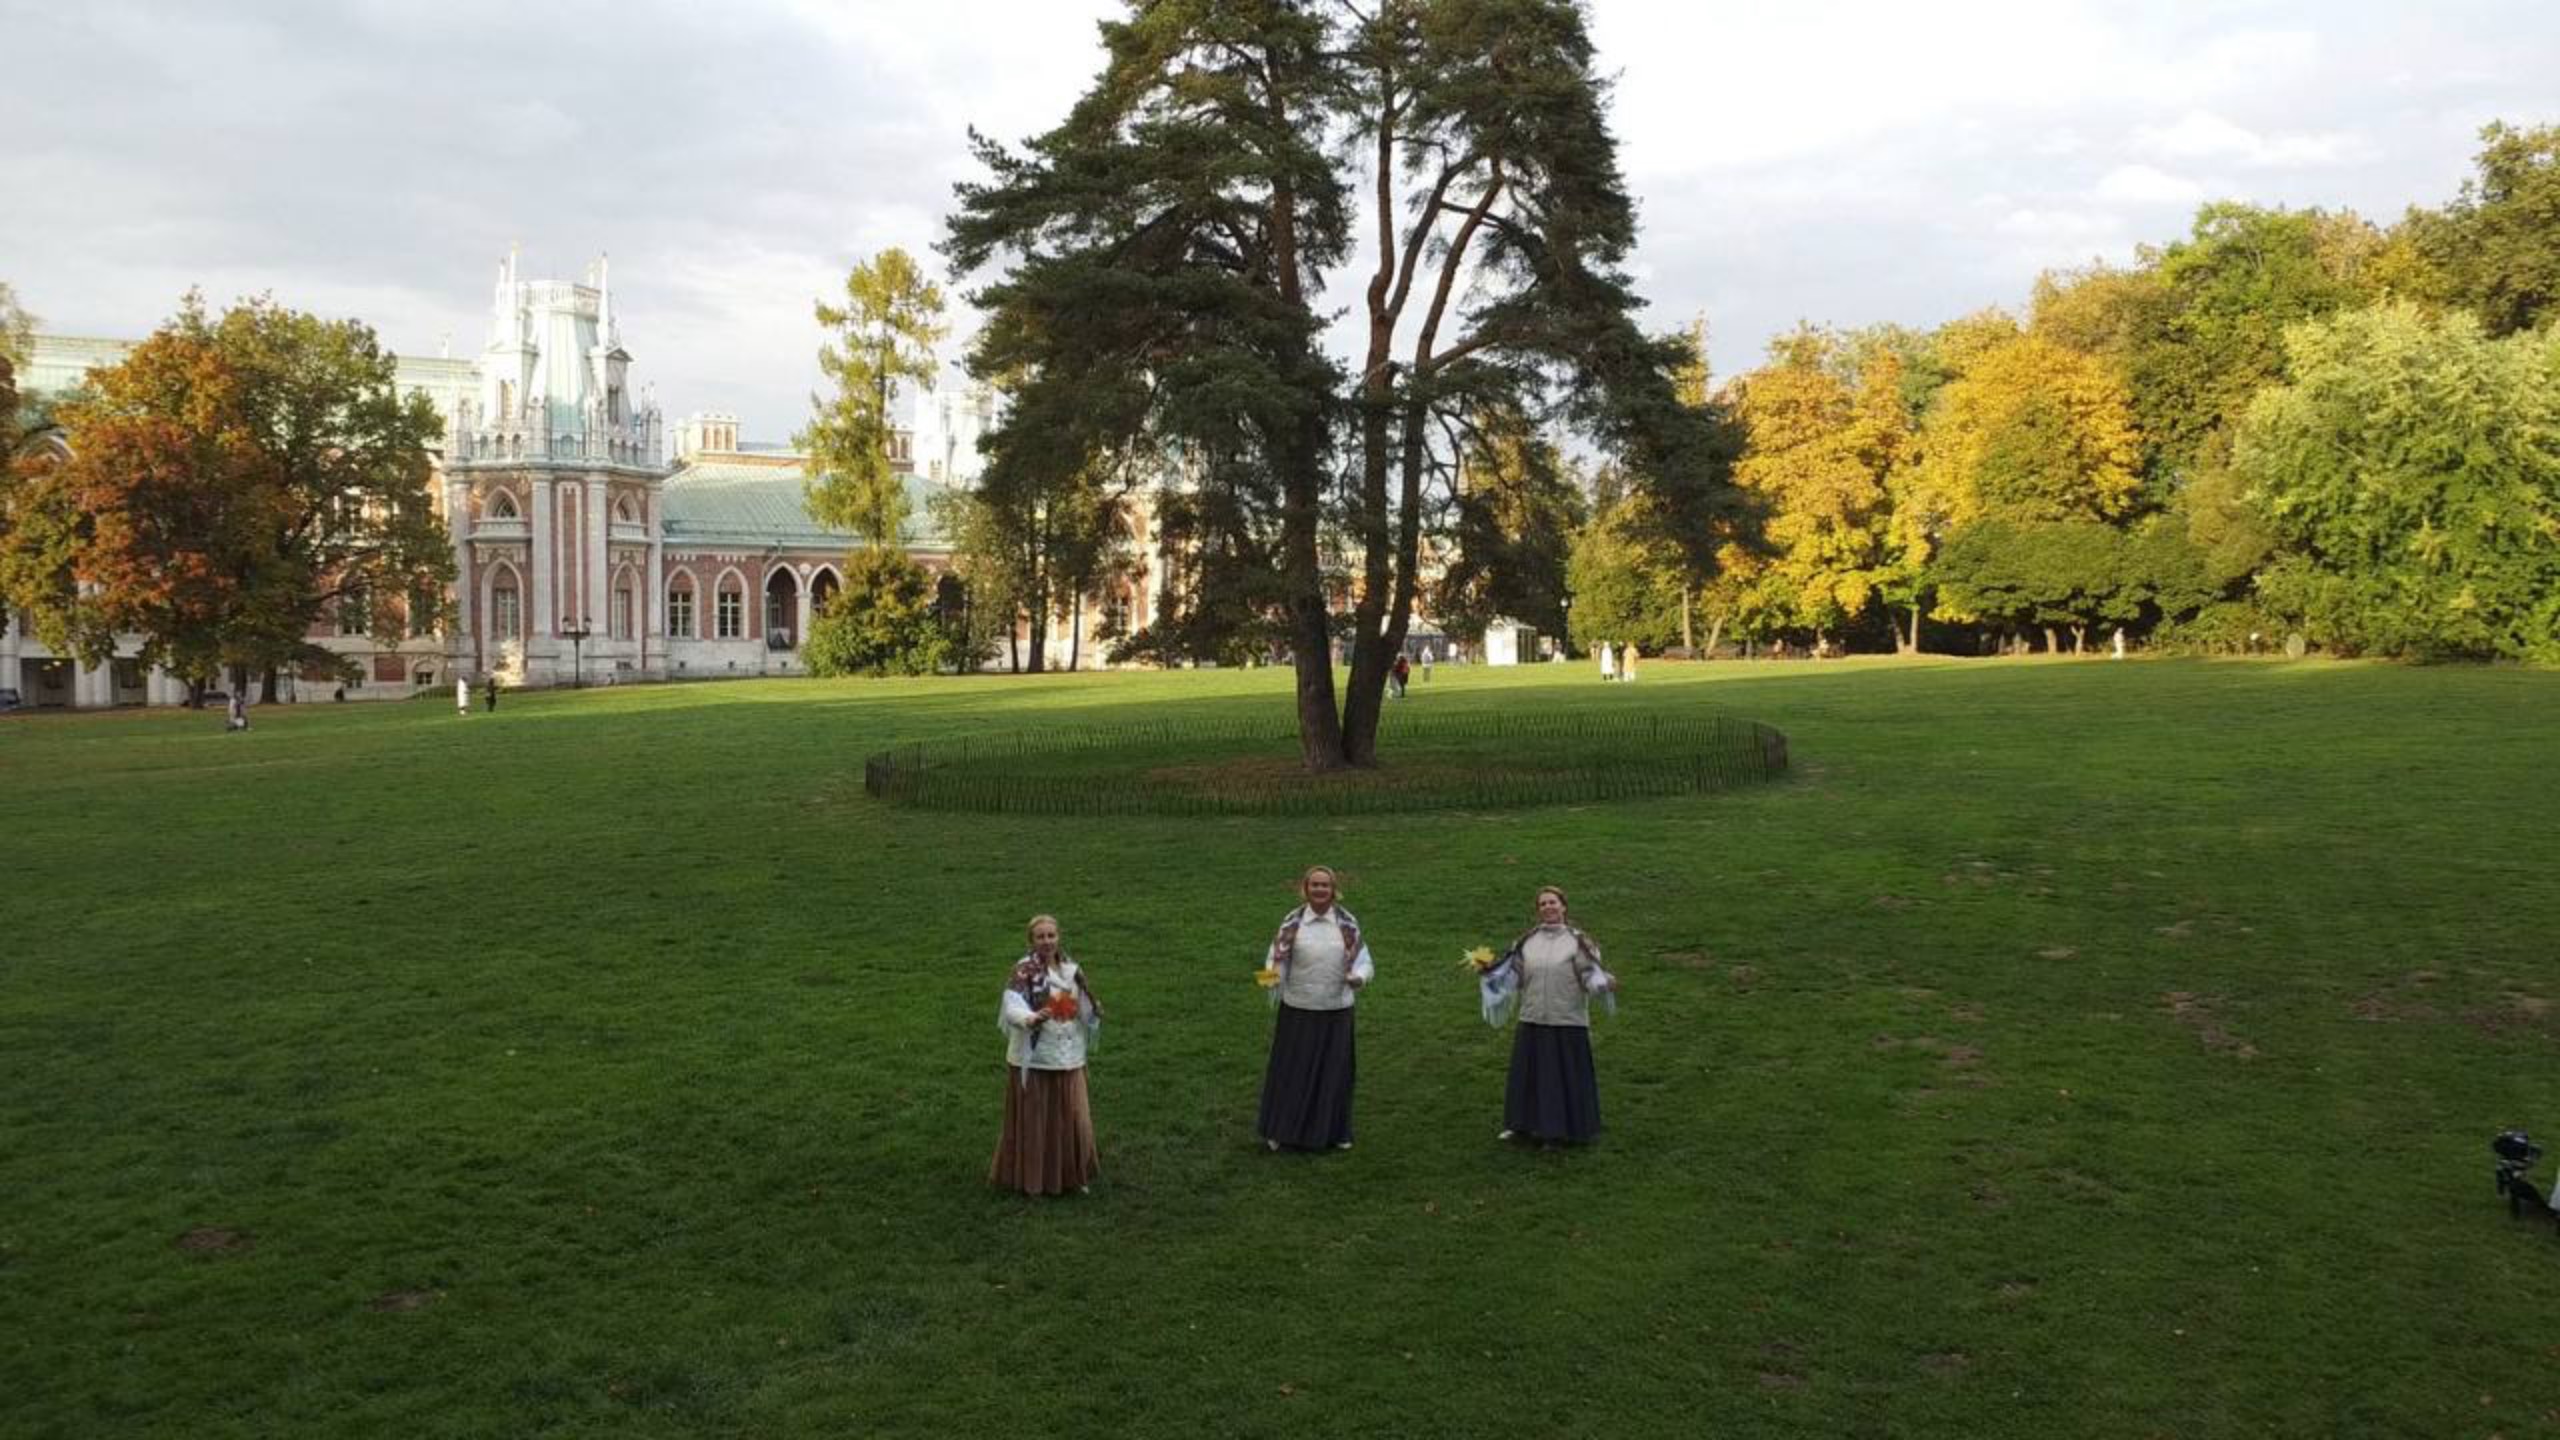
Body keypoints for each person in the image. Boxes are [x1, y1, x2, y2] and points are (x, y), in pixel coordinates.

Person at [1474, 885, 1617, 1146]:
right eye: (1543, 904)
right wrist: (1490, 975)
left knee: (1561, 1079)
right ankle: (1520, 1126)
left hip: (1566, 1020)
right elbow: (1515, 975)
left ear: (1563, 906)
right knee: (1527, 1078)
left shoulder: (1579, 941)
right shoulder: (1527, 941)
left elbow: (1590, 975)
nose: (1548, 907)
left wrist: (1603, 984)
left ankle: (1559, 1132)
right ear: (1538, 911)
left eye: (1553, 902)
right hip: (1532, 1017)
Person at [1255, 865, 1374, 1152]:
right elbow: (1276, 960)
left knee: (1334, 1072)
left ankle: (1335, 1131)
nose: (1320, 890)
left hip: (1337, 1009)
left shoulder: (1347, 923)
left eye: (1325, 885)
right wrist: (1270, 979)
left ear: (1334, 890)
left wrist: (1358, 978)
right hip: (1299, 1008)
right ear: (1305, 889)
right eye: (1315, 885)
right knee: (1291, 1071)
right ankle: (1281, 1130)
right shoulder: (1292, 923)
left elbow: (1365, 961)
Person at [991, 914, 1102, 1195]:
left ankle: (1069, 1175)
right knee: (1039, 1120)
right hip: (1038, 1057)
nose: (1047, 941)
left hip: (1070, 1056)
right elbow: (1011, 1005)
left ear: (1058, 937)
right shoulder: (1023, 971)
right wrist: (1031, 1018)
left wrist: (1093, 1011)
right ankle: (1036, 1178)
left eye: (1051, 935)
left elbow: (1082, 1005)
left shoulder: (1071, 969)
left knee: (1072, 1117)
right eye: (1040, 936)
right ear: (1031, 940)